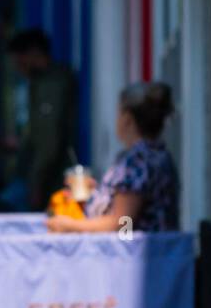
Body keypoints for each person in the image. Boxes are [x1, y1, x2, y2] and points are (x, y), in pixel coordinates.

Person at [47, 81, 179, 234]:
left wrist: (69, 226)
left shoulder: (137, 162)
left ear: (127, 119)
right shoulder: (158, 154)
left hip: (132, 257)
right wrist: (96, 196)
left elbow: (124, 224)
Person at [8, 27, 77, 212]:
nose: (18, 66)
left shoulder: (52, 84)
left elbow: (49, 140)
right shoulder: (38, 84)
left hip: (52, 180)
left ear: (33, 53)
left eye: (20, 60)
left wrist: (37, 184)